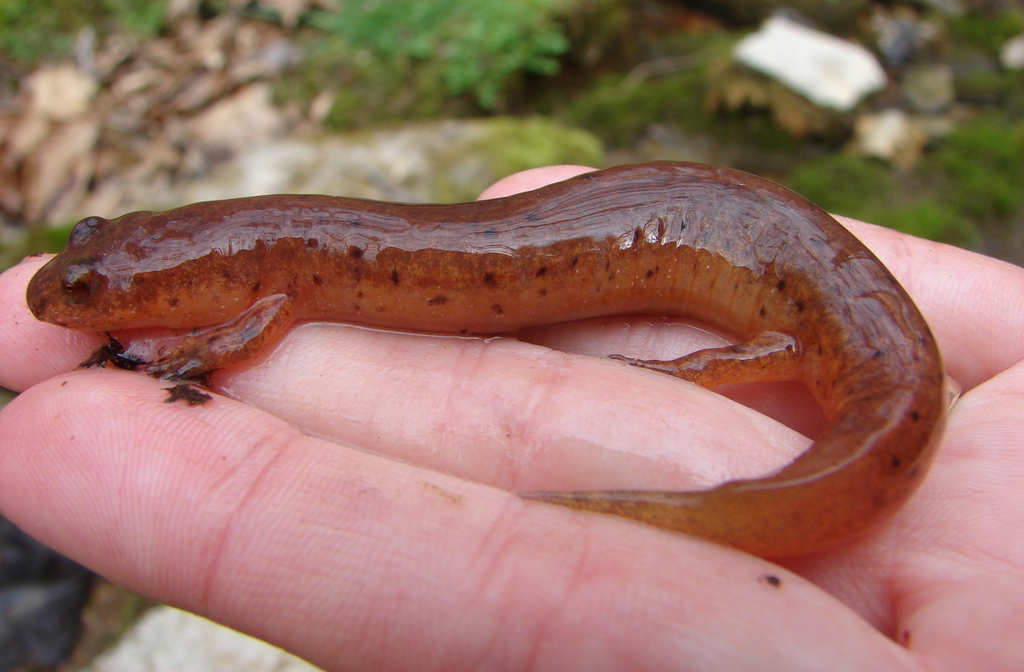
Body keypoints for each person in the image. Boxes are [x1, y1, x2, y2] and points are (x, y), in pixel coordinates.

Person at [0, 165, 1022, 671]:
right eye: (96, 280)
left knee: (854, 386)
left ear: (209, 266)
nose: (76, 295)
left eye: (93, 283)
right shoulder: (266, 259)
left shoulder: (264, 278)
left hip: (786, 283)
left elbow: (255, 322)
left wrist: (198, 352)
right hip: (781, 281)